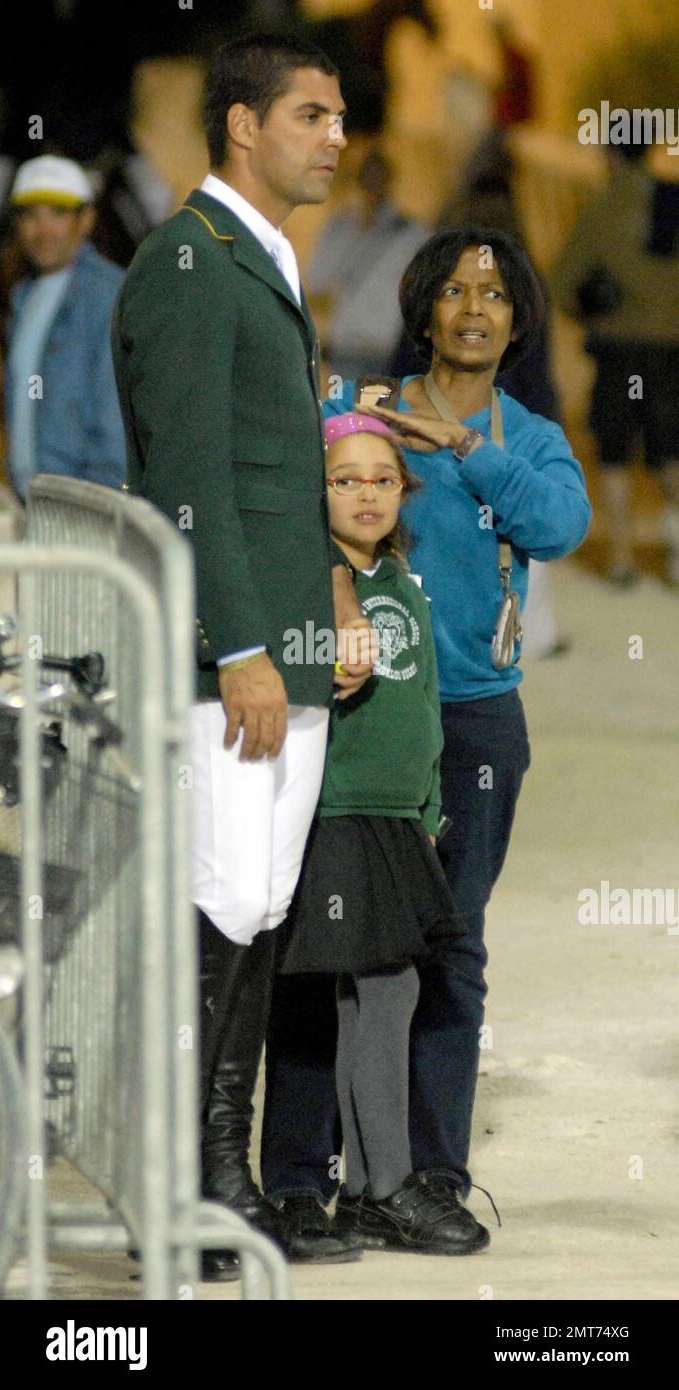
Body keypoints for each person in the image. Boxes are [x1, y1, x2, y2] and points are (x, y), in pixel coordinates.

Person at [262, 226, 591, 1241]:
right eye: (452, 289)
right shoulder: (357, 410)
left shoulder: (523, 436)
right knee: (322, 939)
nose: (473, 306)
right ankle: (299, 1180)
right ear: (422, 307)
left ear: (517, 319)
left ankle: (423, 1173)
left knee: (447, 947)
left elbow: (557, 525)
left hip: (473, 724)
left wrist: (460, 448)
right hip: (352, 711)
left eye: (493, 292)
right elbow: (286, 488)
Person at [112, 35, 375, 1280]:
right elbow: (186, 482)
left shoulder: (263, 259)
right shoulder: (186, 262)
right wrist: (240, 649)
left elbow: (279, 476)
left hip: (292, 646)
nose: (336, 136)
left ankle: (225, 1179)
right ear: (238, 127)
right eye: (312, 115)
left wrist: (330, 599)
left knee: (260, 909)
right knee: (216, 909)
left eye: (338, 116)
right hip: (239, 661)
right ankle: (186, 1190)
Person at [274, 409, 489, 1254]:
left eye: (382, 478)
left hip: (396, 817)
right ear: (314, 490)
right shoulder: (313, 582)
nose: (366, 493)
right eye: (344, 478)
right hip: (337, 814)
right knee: (364, 991)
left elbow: (425, 706)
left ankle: (369, 1188)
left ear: (405, 491)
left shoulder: (400, 580)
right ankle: (373, 1186)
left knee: (384, 990)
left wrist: (430, 805)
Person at [551, 138, 679, 587]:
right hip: (670, 351)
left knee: (614, 451)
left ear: (611, 156)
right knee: (670, 451)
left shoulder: (601, 207)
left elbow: (565, 282)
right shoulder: (672, 200)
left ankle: (623, 560)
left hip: (618, 350)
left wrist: (590, 309)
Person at [3, 155, 126, 501]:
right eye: (30, 214)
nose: (43, 230)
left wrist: (95, 506)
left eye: (58, 213)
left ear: (86, 219)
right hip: (36, 504)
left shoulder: (107, 295)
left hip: (82, 509)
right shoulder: (24, 297)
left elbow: (113, 424)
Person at [307, 149, 428, 380]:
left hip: (386, 346)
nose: (374, 186)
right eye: (368, 178)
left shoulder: (411, 233)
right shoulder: (340, 226)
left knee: (381, 415)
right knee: (346, 415)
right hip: (346, 344)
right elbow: (317, 279)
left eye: (379, 178)